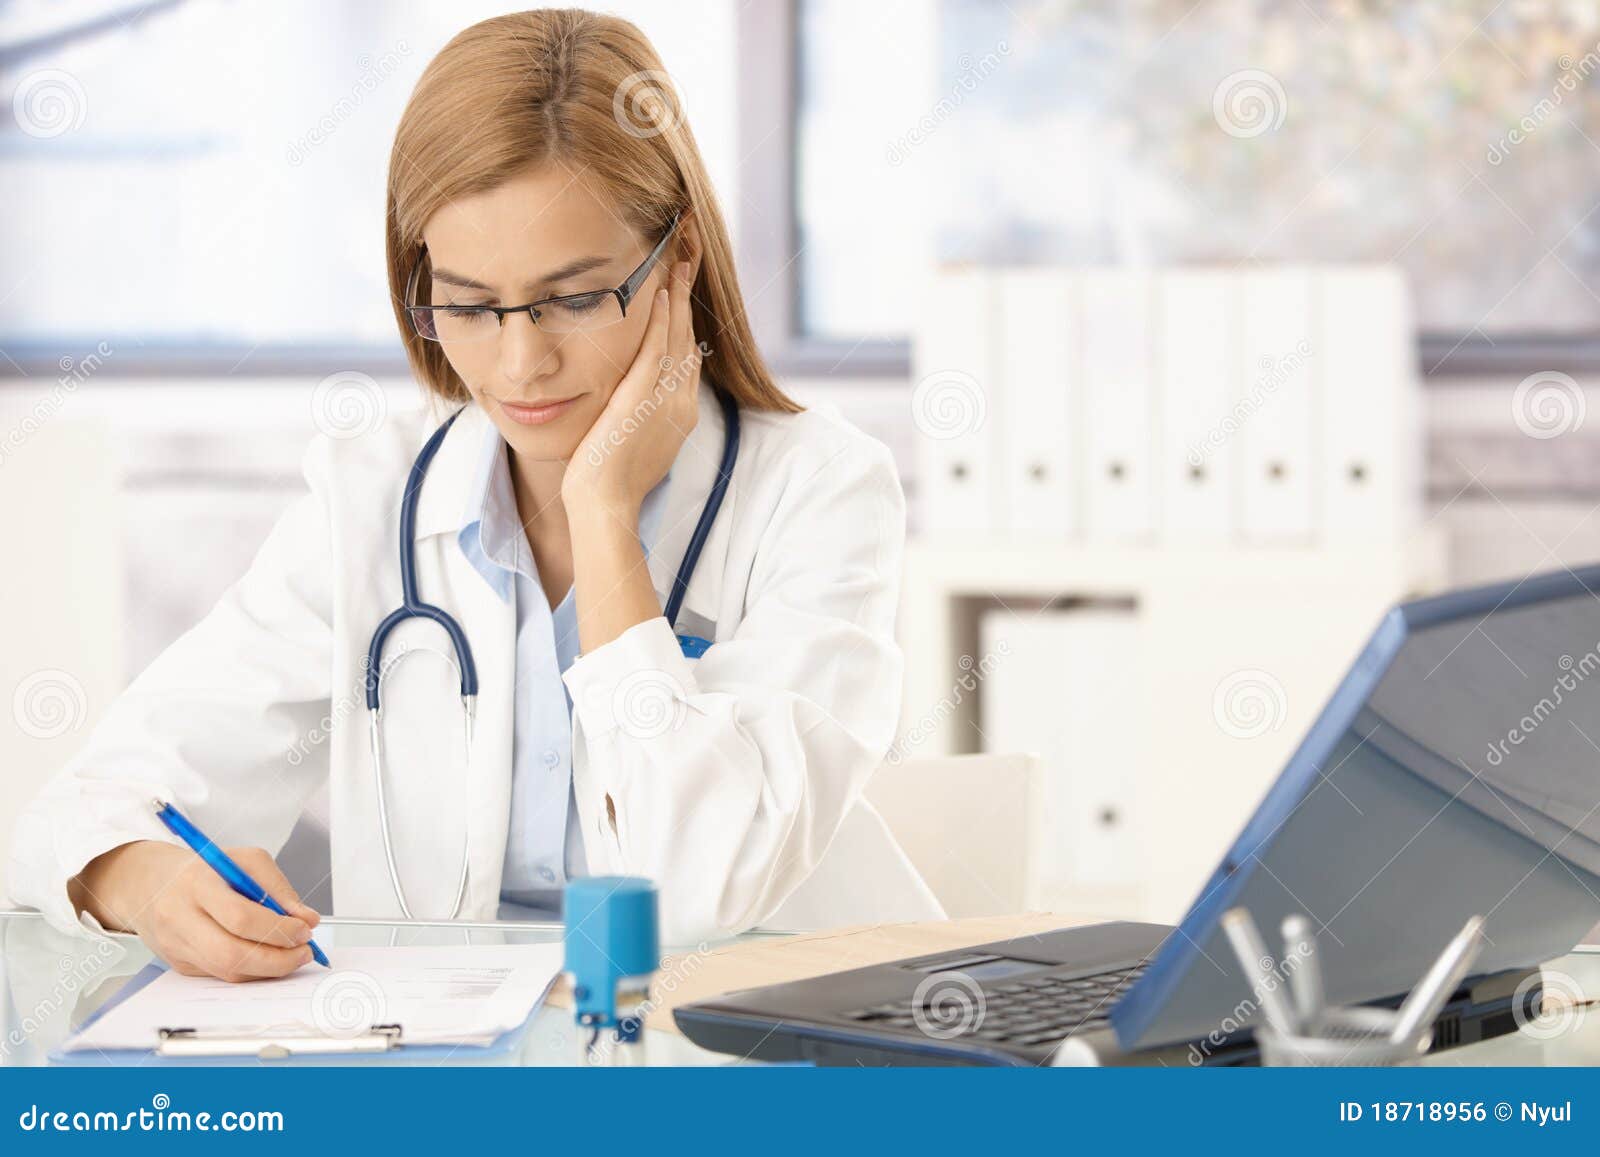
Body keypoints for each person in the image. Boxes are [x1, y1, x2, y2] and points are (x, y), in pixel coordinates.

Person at [7, 8, 938, 983]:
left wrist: (605, 519)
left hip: (750, 1057)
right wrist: (147, 880)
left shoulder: (822, 491)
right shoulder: (370, 498)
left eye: (575, 297)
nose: (521, 360)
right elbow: (87, 804)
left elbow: (700, 887)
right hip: (450, 1062)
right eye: (468, 304)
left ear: (680, 260)